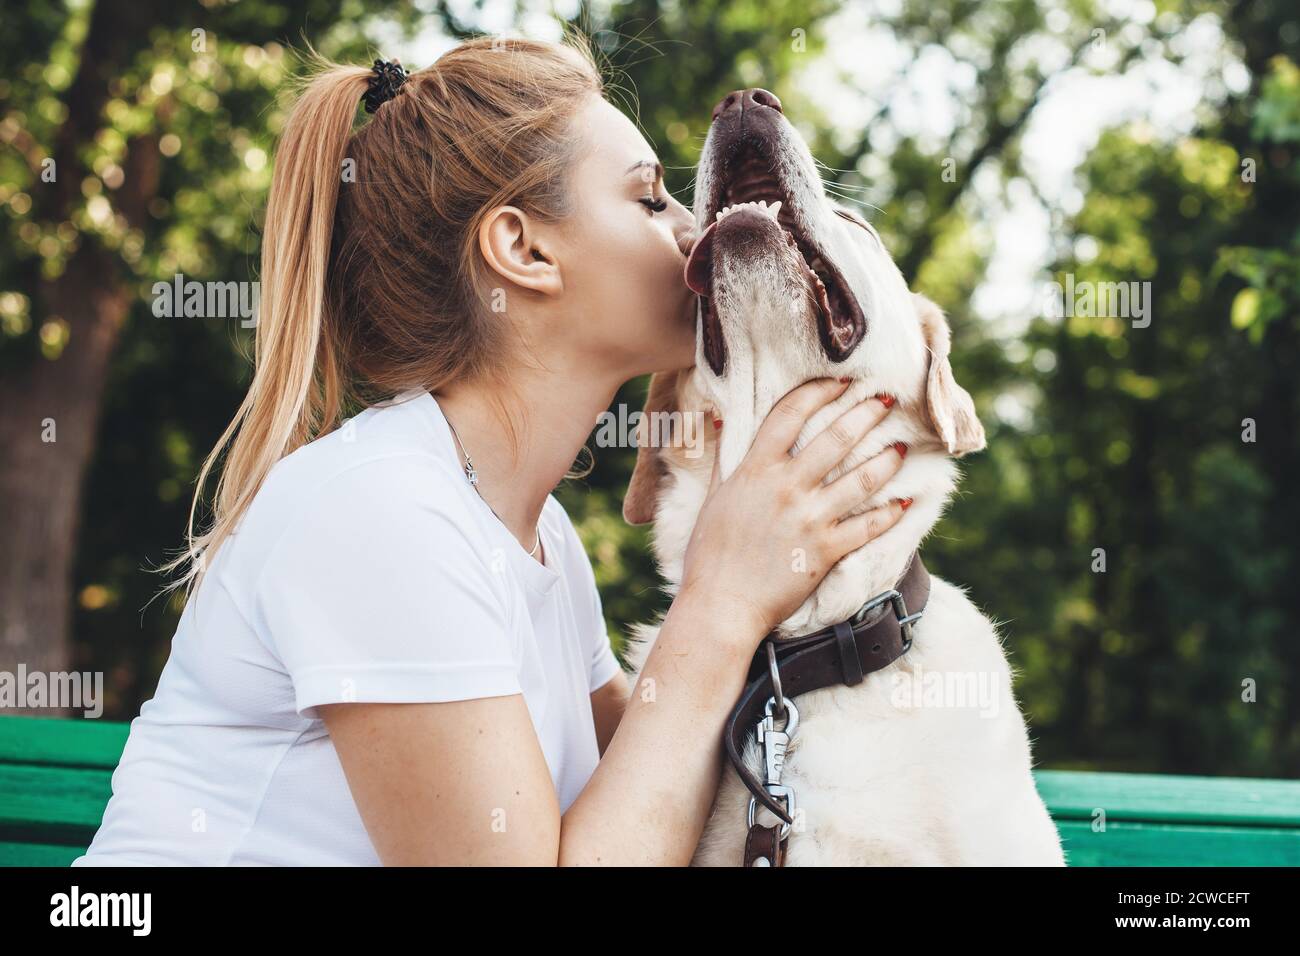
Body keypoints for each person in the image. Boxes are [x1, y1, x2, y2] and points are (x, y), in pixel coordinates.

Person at [72, 31, 905, 866]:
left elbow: (656, 794)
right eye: (651, 200)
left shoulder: (538, 539)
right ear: (523, 250)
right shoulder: (380, 510)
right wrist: (722, 600)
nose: (693, 229)